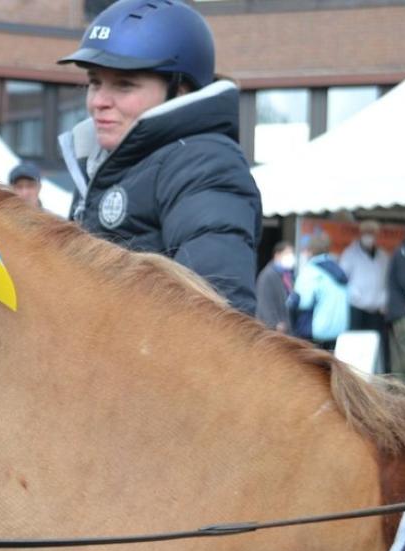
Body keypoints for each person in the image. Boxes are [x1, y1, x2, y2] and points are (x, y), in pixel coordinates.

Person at [57, 0, 262, 315]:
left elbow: (216, 321)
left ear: (180, 90)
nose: (98, 101)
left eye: (124, 85)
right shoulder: (98, 162)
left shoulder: (205, 164)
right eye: (95, 82)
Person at [292, 234, 350, 350]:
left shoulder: (310, 272)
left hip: (316, 333)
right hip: (339, 331)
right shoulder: (339, 270)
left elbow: (302, 302)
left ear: (310, 250)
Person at [339, 219, 390, 335]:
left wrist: (384, 299)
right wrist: (354, 293)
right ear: (361, 233)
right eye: (367, 232)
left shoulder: (383, 256)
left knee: (375, 340)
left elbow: (386, 281)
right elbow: (343, 277)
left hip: (377, 308)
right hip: (357, 306)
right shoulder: (350, 253)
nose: (369, 236)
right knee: (356, 338)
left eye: (372, 232)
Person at [256, 242, 295, 332]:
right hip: (274, 328)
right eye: (287, 253)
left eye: (292, 253)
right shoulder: (268, 275)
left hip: (287, 327)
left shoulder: (288, 275)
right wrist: (274, 323)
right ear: (277, 255)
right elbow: (264, 302)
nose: (291, 257)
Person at [387, 236, 405, 380]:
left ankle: (399, 390)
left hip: (399, 313)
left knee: (399, 359)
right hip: (403, 314)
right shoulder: (404, 253)